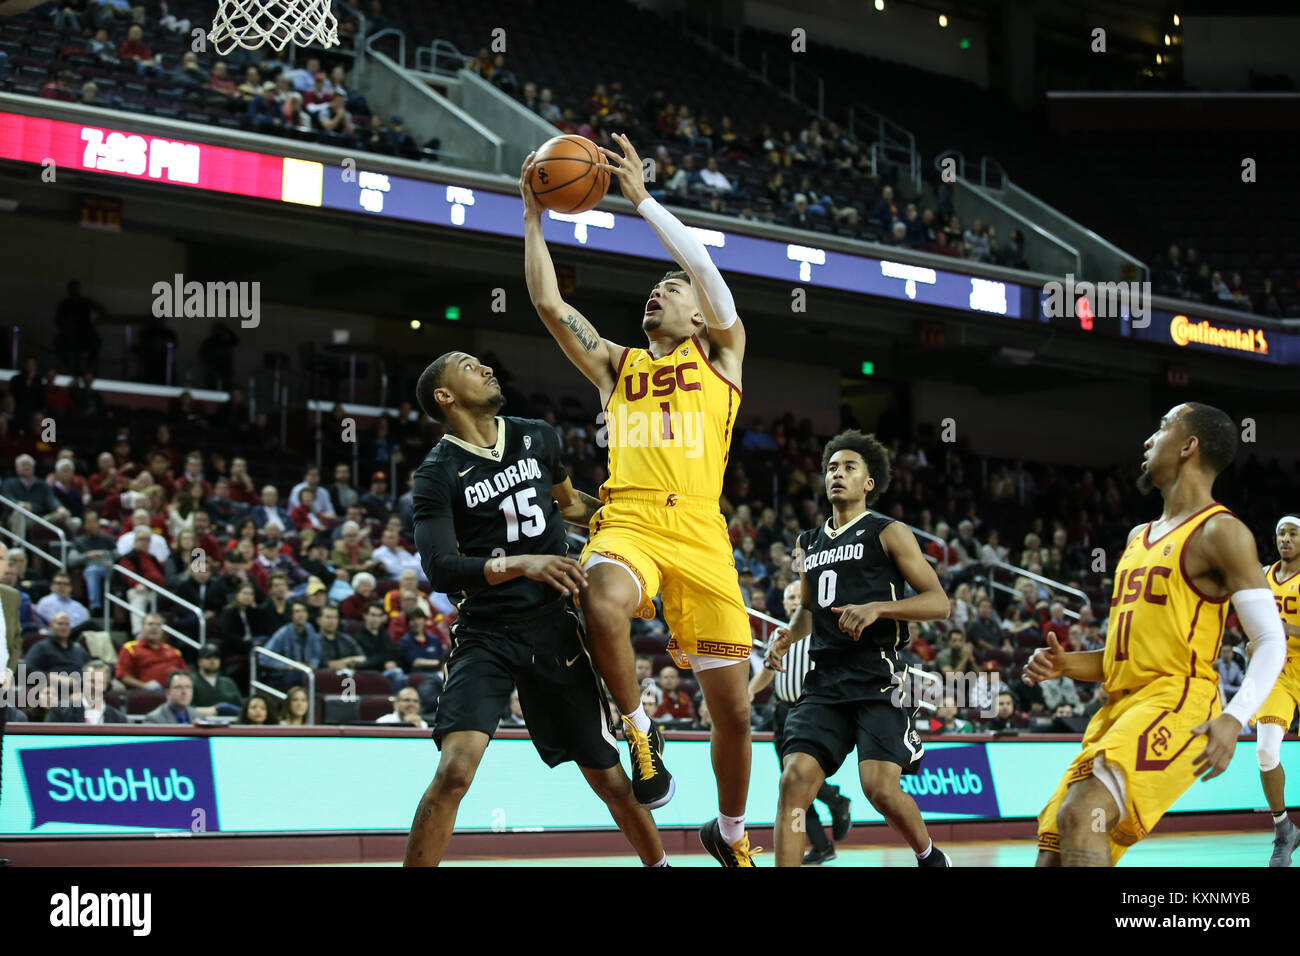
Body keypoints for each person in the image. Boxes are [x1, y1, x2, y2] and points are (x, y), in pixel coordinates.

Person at [523, 135, 756, 865]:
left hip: (702, 532)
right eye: (655, 289)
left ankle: (731, 833)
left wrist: (643, 201)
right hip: (628, 518)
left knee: (736, 716)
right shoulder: (618, 366)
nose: (662, 291)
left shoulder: (721, 356)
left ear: (696, 318)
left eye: (673, 290)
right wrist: (533, 217)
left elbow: (708, 271)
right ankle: (639, 729)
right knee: (600, 597)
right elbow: (549, 303)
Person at [403, 351, 665, 868]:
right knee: (455, 772)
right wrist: (521, 563)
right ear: (444, 396)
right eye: (467, 365)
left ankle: (660, 865)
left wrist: (640, 531)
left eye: (482, 362)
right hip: (487, 632)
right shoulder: (437, 474)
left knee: (608, 777)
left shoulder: (536, 435)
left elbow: (570, 505)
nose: (484, 366)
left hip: (553, 628)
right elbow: (440, 568)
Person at [1026, 404, 1284, 867]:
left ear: (1189, 446)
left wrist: (1235, 717)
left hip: (1179, 701)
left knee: (1082, 815)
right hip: (1119, 706)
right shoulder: (1135, 537)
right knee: (1056, 848)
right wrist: (1068, 665)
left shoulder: (1222, 532)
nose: (1148, 440)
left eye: (1162, 428)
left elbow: (1270, 641)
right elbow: (1126, 654)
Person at [766, 430, 953, 867]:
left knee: (879, 788)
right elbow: (810, 610)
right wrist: (787, 637)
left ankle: (929, 857)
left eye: (849, 468)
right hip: (824, 681)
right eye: (831, 467)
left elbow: (939, 603)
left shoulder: (889, 532)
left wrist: (879, 609)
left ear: (869, 482)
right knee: (793, 782)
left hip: (879, 677)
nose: (837, 474)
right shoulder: (807, 542)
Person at [749, 579, 852, 863]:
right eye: (789, 597)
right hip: (781, 713)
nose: (794, 600)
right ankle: (821, 845)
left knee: (798, 778)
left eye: (798, 595)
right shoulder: (777, 636)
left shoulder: (820, 631)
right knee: (789, 784)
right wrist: (748, 691)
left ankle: (835, 799)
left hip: (810, 709)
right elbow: (768, 673)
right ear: (782, 604)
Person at [1250, 515, 1300, 865]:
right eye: (1281, 532)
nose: (1285, 538)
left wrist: (1284, 627)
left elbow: (1279, 626)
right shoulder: (1262, 576)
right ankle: (1284, 830)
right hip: (1278, 673)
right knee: (1266, 752)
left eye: (1293, 533)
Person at [115, 613, 187, 690]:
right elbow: (123, 676)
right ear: (142, 628)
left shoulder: (173, 651)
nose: (154, 628)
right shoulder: (130, 648)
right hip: (147, 694)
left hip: (174, 692)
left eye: (158, 625)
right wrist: (144, 685)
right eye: (150, 624)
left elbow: (185, 674)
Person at [45, 659, 128, 724]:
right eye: (91, 681)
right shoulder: (59, 711)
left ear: (106, 686)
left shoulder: (119, 718)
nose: (94, 687)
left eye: (99, 682)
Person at [190, 644, 242, 717]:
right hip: (200, 724)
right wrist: (214, 710)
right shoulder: (191, 682)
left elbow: (241, 708)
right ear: (200, 662)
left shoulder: (228, 682)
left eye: (216, 657)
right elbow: (186, 709)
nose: (213, 661)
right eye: (208, 657)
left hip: (230, 725)